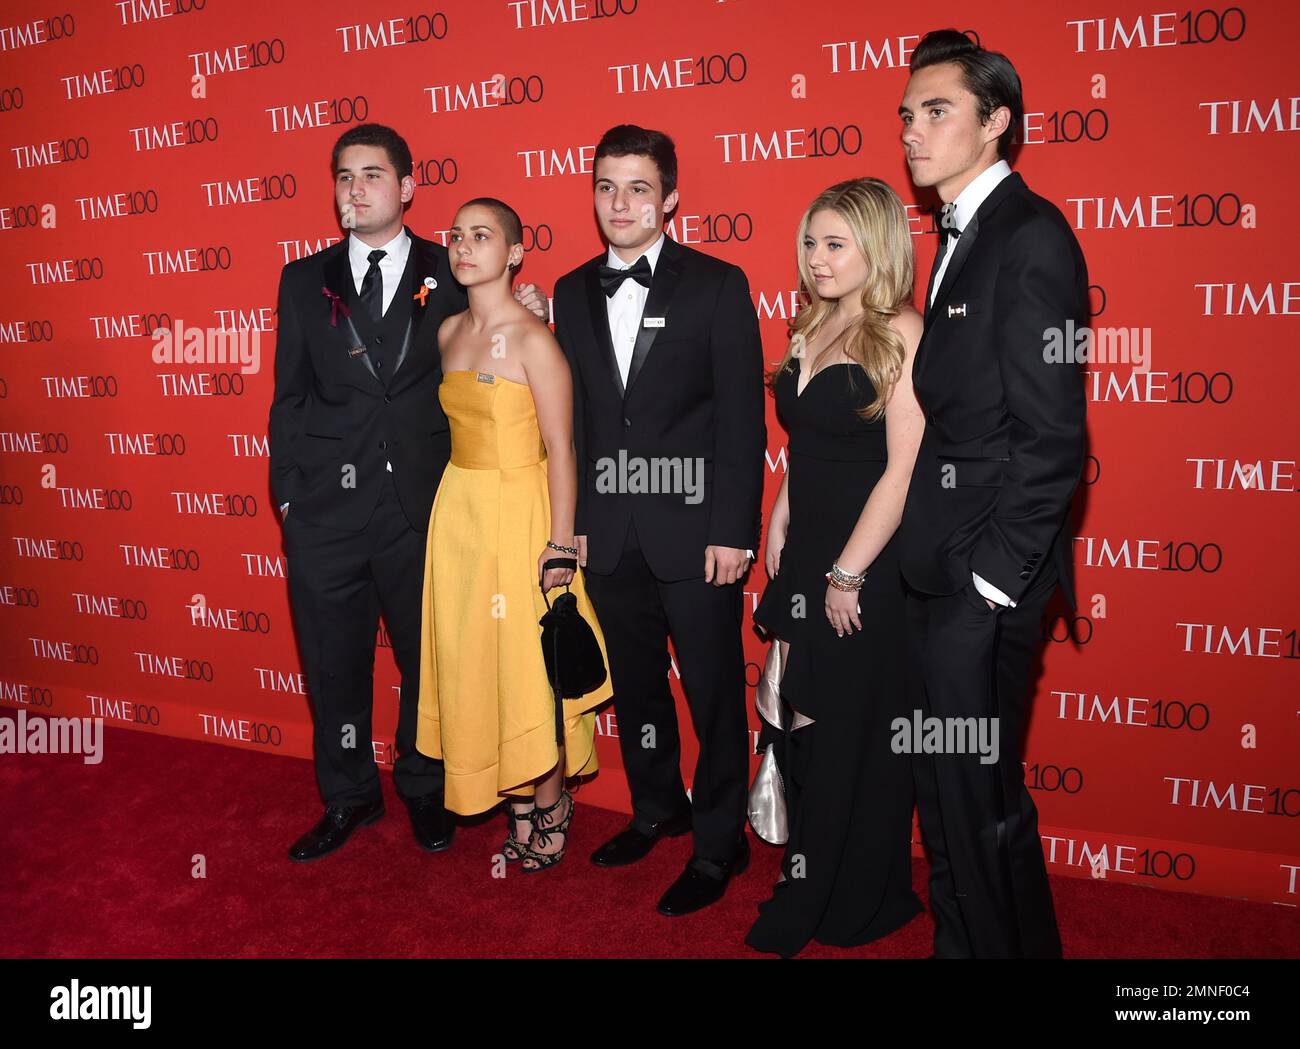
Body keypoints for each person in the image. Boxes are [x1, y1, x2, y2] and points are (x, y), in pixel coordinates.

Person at [269, 124, 547, 863]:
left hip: (427, 508)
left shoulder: (451, 265)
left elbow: (505, 328)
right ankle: (349, 793)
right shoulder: (305, 280)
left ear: (407, 186)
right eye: (343, 177)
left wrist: (534, 307)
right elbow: (288, 396)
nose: (354, 189)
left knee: (433, 658)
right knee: (334, 661)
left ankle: (425, 787)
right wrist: (290, 500)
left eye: (371, 174)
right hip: (326, 512)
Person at [897, 30, 1088, 957]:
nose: (914, 131)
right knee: (956, 791)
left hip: (985, 580)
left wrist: (993, 585)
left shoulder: (1032, 235)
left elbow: (1052, 439)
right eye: (908, 113)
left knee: (977, 794)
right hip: (941, 563)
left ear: (996, 122)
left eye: (938, 112)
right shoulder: (958, 235)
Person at [553, 125, 766, 916]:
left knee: (711, 693)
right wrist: (570, 522)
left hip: (695, 532)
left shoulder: (716, 283)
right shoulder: (571, 291)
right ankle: (655, 808)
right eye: (607, 186)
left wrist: (734, 529)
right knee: (637, 688)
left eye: (638, 188)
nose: (620, 203)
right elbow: (571, 426)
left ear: (671, 197)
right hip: (607, 532)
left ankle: (720, 842)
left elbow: (743, 419)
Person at [746, 178, 926, 958]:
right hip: (808, 546)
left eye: (835, 244)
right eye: (811, 243)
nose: (816, 259)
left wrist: (847, 572)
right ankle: (809, 871)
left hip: (864, 561)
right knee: (805, 724)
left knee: (850, 728)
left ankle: (846, 894)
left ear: (877, 247)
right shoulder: (812, 322)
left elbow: (901, 471)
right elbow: (810, 445)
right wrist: (779, 513)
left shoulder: (903, 334)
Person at [415, 198, 614, 872]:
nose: (464, 246)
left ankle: (551, 803)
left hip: (522, 511)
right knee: (479, 661)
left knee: (530, 667)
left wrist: (560, 545)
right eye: (457, 235)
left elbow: (562, 448)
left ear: (516, 251)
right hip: (460, 516)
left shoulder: (534, 339)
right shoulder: (446, 333)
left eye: (483, 235)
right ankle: (516, 805)